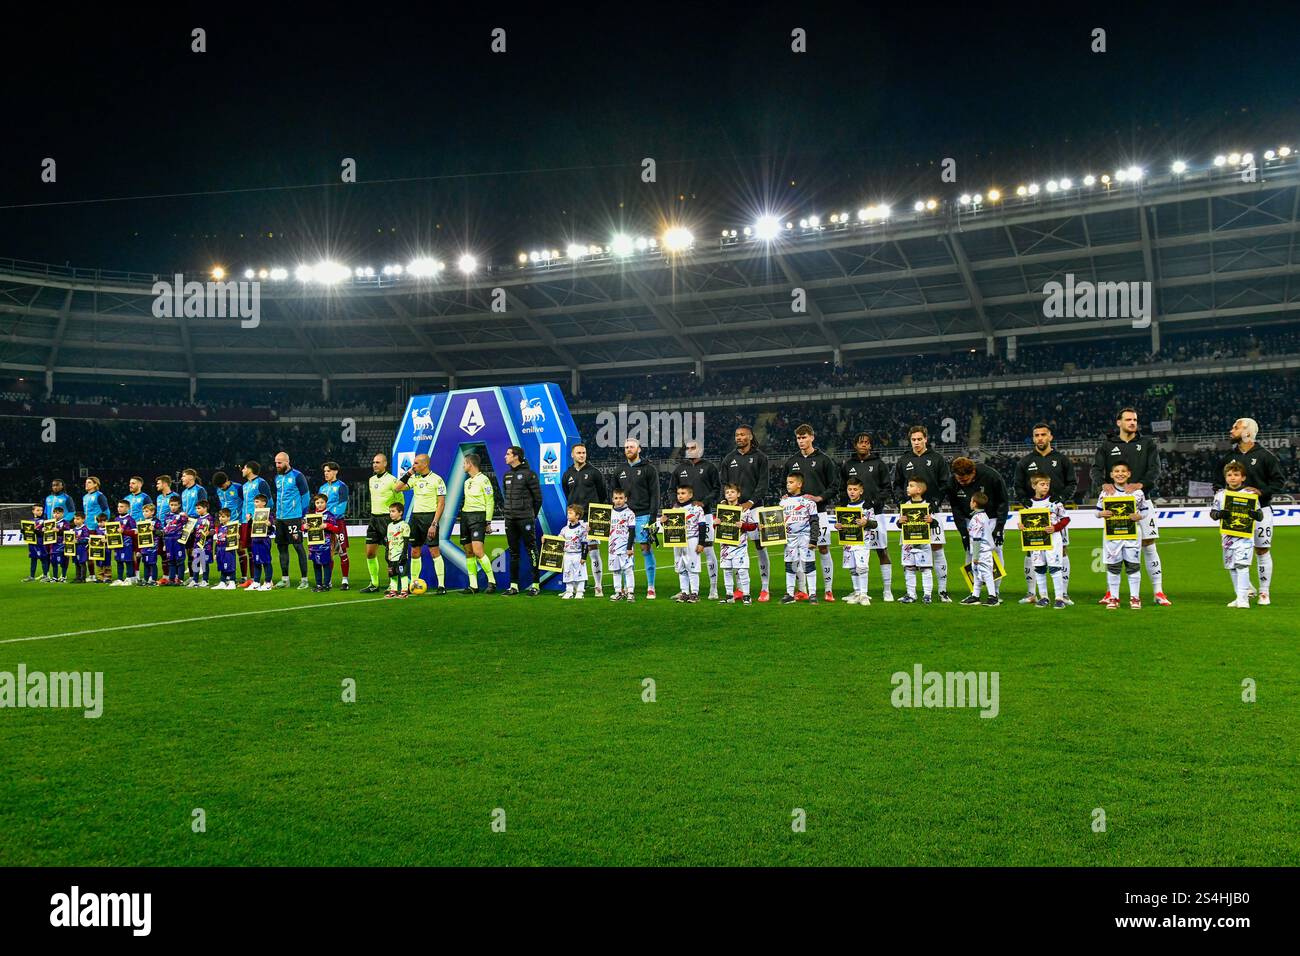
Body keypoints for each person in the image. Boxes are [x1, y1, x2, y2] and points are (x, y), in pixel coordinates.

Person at [1091, 408, 1170, 606]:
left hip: (1143, 501)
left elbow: (1155, 469)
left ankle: (1158, 591)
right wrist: (1103, 483)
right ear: (1119, 422)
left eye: (1135, 419)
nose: (1133, 422)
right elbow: (1096, 469)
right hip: (1113, 502)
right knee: (1112, 547)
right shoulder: (1108, 445)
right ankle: (1112, 593)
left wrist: (1141, 485)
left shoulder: (1147, 443)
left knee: (1149, 544)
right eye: (1128, 419)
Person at [1217, 417, 1284, 606]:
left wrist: (1261, 492)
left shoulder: (1266, 456)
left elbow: (1279, 482)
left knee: (1262, 550)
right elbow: (1216, 481)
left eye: (1235, 427)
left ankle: (1264, 592)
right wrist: (1220, 494)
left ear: (1247, 431)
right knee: (1233, 553)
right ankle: (1245, 591)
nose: (1231, 430)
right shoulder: (1228, 457)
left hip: (1261, 510)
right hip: (1235, 514)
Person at [1013, 424, 1078, 605]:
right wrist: (1024, 501)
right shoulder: (1025, 462)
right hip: (1034, 512)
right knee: (1031, 552)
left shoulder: (1062, 459)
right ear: (1033, 438)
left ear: (1050, 437)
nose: (1040, 438)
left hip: (1054, 514)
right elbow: (1017, 486)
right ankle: (1032, 593)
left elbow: (1072, 483)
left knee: (1062, 551)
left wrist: (1061, 498)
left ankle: (1063, 594)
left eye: (1043, 435)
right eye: (1036, 435)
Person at [779, 424, 839, 602]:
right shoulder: (791, 461)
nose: (801, 441)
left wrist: (820, 498)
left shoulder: (824, 460)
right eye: (798, 438)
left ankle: (828, 589)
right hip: (796, 515)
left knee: (822, 548)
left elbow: (834, 486)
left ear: (812, 437)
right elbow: (785, 484)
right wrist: (786, 495)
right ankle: (801, 589)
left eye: (804, 437)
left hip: (818, 513)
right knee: (794, 550)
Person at [892, 426, 951, 602]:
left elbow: (945, 484)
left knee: (937, 549)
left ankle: (942, 591)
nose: (916, 443)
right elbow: (896, 485)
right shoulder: (904, 460)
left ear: (926, 439)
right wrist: (901, 504)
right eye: (913, 440)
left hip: (932, 512)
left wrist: (934, 503)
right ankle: (911, 593)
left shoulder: (937, 459)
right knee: (909, 551)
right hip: (910, 513)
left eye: (919, 439)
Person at [945, 457, 1010, 601]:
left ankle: (995, 591)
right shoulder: (952, 482)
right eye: (959, 479)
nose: (962, 483)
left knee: (995, 553)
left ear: (973, 472)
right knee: (970, 554)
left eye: (966, 480)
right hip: (969, 520)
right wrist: (963, 533)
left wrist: (999, 527)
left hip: (991, 518)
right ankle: (974, 592)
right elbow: (955, 508)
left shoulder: (991, 476)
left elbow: (1003, 501)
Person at [721, 425, 772, 601]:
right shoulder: (729, 458)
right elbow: (724, 484)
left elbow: (763, 484)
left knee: (759, 546)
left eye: (742, 434)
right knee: (733, 546)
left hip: (755, 507)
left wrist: (750, 502)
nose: (739, 437)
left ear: (750, 436)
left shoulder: (760, 457)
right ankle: (740, 588)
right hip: (734, 510)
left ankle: (765, 588)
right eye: (736, 435)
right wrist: (725, 501)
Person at [840, 433, 893, 601]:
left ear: (870, 446)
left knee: (881, 550)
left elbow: (887, 488)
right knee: (853, 552)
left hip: (875, 514)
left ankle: (887, 590)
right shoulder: (848, 465)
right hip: (853, 516)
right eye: (860, 442)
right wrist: (843, 511)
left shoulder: (878, 464)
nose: (863, 445)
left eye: (867, 443)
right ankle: (857, 591)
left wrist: (875, 502)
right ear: (855, 445)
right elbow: (842, 489)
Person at [1096, 461, 1152, 610]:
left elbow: (1146, 511)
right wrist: (1102, 513)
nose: (1120, 474)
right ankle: (1114, 598)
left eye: (1123, 471)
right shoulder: (1106, 493)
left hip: (1132, 535)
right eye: (1116, 471)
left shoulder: (1137, 493)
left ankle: (1135, 598)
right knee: (1113, 567)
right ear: (1111, 475)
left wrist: (1138, 516)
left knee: (1133, 566)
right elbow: (1096, 512)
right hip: (1112, 536)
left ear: (1129, 474)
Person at [611, 438, 660, 599]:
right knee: (624, 551)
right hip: (623, 517)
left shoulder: (648, 469)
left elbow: (655, 494)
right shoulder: (620, 470)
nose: (628, 449)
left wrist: (652, 517)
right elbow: (614, 493)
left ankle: (651, 587)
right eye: (626, 447)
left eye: (631, 447)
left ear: (639, 449)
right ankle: (625, 588)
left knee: (645, 549)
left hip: (643, 514)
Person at [1210, 462, 1263, 608]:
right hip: (1227, 537)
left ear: (1243, 477)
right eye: (1229, 475)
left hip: (1245, 537)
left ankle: (1244, 600)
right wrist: (1220, 514)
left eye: (1236, 475)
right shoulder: (1220, 495)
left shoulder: (1250, 495)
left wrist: (1255, 514)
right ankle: (1239, 596)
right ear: (1225, 477)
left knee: (1242, 565)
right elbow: (1213, 514)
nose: (1232, 478)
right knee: (1232, 567)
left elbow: (1260, 515)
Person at [393, 453, 447, 594]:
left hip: (430, 518)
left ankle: (441, 585)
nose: (414, 465)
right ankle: (414, 584)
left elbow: (441, 504)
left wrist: (434, 524)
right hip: (415, 518)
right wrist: (409, 472)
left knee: (434, 551)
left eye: (416, 463)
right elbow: (397, 488)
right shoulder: (414, 479)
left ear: (425, 464)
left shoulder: (437, 480)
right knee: (415, 551)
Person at [675, 440, 721, 600]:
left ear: (700, 449)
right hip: (683, 516)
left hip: (705, 513)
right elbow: (671, 489)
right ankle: (685, 591)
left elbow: (717, 489)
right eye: (687, 448)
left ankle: (713, 588)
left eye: (693, 448)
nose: (689, 450)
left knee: (707, 550)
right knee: (682, 554)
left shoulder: (709, 467)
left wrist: (704, 502)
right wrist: (675, 507)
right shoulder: (680, 468)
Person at [562, 443, 608, 593]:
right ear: (572, 455)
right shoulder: (567, 474)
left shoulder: (594, 472)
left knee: (593, 552)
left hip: (590, 518)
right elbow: (566, 493)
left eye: (584, 452)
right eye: (579, 453)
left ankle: (598, 586)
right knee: (573, 553)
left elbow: (603, 494)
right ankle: (573, 587)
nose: (582, 455)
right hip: (575, 520)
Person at [1020, 474, 1070, 608]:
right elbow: (1025, 522)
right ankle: (1044, 597)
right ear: (1033, 486)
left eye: (1047, 484)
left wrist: (1055, 528)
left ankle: (1059, 598)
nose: (1045, 487)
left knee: (1055, 568)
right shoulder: (1029, 504)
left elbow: (1066, 519)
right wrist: (1021, 526)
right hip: (1036, 540)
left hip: (1053, 539)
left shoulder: (1054, 502)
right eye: (1042, 484)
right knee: (1039, 568)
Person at [500, 446, 543, 596]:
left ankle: (535, 585)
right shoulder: (506, 475)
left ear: (516, 456)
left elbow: (538, 498)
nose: (505, 456)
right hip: (510, 519)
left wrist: (532, 516)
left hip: (525, 518)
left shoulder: (530, 474)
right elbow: (506, 496)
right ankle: (513, 586)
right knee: (513, 552)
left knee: (531, 549)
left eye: (508, 454)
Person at [659, 484, 707, 602]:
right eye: (678, 493)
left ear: (690, 495)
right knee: (681, 567)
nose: (680, 496)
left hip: (692, 540)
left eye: (683, 493)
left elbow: (702, 526)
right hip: (678, 541)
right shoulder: (674, 509)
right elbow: (670, 527)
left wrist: (701, 543)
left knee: (692, 567)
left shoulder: (697, 508)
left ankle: (694, 593)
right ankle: (684, 592)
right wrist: (663, 522)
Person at [364, 453, 404, 594]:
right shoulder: (371, 480)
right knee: (369, 553)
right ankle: (374, 583)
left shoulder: (392, 480)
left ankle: (393, 584)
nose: (375, 464)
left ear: (385, 464)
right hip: (374, 519)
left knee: (391, 555)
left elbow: (400, 500)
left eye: (378, 462)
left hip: (387, 520)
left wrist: (396, 518)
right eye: (373, 462)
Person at [272, 452, 311, 589]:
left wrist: (302, 516)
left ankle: (304, 579)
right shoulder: (277, 477)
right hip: (280, 518)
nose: (277, 465)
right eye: (276, 462)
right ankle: (285, 579)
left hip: (294, 517)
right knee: (281, 548)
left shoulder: (297, 476)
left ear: (287, 462)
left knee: (298, 547)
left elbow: (306, 496)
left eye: (280, 463)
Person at [778, 472, 818, 605]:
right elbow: (777, 522)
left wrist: (813, 540)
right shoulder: (783, 502)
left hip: (805, 538)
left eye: (791, 482)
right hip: (789, 538)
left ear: (799, 484)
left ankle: (812, 594)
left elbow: (814, 521)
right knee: (790, 565)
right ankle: (789, 594)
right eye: (787, 482)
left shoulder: (809, 502)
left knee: (809, 564)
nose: (788, 485)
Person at [459, 453, 496, 594]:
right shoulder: (466, 482)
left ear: (470, 464)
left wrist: (488, 521)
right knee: (468, 551)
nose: (463, 465)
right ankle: (473, 586)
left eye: (464, 463)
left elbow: (490, 501)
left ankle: (492, 582)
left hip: (478, 517)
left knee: (478, 551)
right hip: (465, 516)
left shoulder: (484, 480)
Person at [716, 483, 758, 605]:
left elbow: (753, 526)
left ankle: (746, 595)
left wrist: (743, 525)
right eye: (727, 492)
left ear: (738, 494)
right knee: (727, 571)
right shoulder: (722, 510)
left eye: (732, 492)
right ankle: (729, 595)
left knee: (743, 571)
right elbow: (717, 527)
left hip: (740, 546)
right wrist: (715, 522)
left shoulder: (744, 510)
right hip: (725, 546)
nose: (730, 494)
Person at [839, 477, 878, 605]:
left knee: (862, 567)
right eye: (849, 489)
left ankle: (864, 594)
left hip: (862, 542)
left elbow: (874, 523)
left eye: (855, 489)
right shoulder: (844, 506)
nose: (852, 492)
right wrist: (838, 526)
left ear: (861, 491)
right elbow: (841, 523)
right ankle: (856, 593)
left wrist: (866, 522)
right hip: (848, 542)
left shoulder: (866, 506)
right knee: (852, 568)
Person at [898, 478, 935, 605]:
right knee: (909, 568)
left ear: (919, 490)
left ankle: (927, 595)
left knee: (926, 569)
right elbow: (899, 524)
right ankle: (911, 594)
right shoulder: (905, 506)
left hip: (923, 543)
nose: (907, 488)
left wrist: (931, 521)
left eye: (911, 485)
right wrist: (900, 521)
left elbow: (934, 524)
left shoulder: (928, 506)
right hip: (908, 543)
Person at [960, 492, 999, 606]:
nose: (970, 503)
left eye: (971, 501)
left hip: (982, 551)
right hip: (983, 550)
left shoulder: (976, 518)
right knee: (977, 574)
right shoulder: (984, 516)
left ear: (975, 503)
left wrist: (975, 556)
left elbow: (977, 538)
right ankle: (975, 595)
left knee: (986, 573)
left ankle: (993, 597)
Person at [237, 462, 273, 588]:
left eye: (244, 467)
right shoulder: (244, 486)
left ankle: (268, 581)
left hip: (258, 521)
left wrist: (263, 517)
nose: (242, 469)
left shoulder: (261, 483)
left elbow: (270, 502)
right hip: (246, 521)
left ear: (250, 469)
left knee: (260, 550)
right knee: (249, 549)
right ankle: (254, 580)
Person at [319, 462, 351, 590]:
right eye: (325, 471)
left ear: (335, 471)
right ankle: (328, 581)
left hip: (338, 523)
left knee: (342, 552)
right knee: (328, 552)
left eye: (328, 471)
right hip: (324, 524)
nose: (326, 473)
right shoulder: (322, 488)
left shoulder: (342, 486)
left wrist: (330, 516)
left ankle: (345, 581)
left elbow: (342, 505)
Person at [307, 492, 345, 592]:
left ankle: (327, 584)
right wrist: (304, 527)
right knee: (316, 565)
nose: (319, 504)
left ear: (326, 503)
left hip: (326, 545)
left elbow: (337, 529)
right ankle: (319, 585)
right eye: (317, 503)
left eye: (322, 502)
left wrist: (327, 526)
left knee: (326, 564)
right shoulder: (311, 516)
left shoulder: (329, 515)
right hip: (314, 545)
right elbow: (303, 528)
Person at [212, 472, 243, 586]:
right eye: (219, 487)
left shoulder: (238, 488)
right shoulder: (219, 490)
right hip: (224, 523)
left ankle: (240, 577)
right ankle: (224, 580)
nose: (221, 488)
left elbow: (244, 503)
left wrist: (242, 520)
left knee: (237, 550)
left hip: (236, 522)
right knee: (223, 551)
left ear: (226, 481)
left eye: (222, 485)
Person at [606, 489, 638, 602]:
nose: (618, 501)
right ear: (612, 499)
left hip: (625, 547)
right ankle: (618, 592)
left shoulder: (629, 513)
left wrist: (629, 548)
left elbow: (632, 531)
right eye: (616, 498)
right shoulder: (609, 513)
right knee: (616, 571)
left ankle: (630, 592)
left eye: (621, 498)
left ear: (625, 499)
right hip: (612, 547)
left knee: (628, 570)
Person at [122, 476, 150, 583]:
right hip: (129, 530)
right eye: (130, 483)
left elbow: (149, 511)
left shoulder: (145, 497)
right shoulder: (127, 498)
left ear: (139, 485)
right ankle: (135, 575)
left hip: (140, 528)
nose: (130, 485)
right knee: (131, 552)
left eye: (133, 483)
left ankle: (148, 575)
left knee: (141, 553)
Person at [559, 504, 590, 599]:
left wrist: (584, 557)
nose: (568, 515)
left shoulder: (582, 529)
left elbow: (585, 543)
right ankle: (569, 591)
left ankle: (580, 591)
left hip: (578, 554)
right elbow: (557, 540)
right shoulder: (564, 529)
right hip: (567, 554)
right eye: (568, 513)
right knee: (568, 572)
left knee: (579, 573)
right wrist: (545, 539)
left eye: (571, 513)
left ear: (577, 516)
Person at [83, 477, 110, 582]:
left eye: (89, 482)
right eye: (86, 483)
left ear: (95, 484)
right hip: (87, 527)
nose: (86, 484)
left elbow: (106, 511)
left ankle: (105, 575)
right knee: (88, 552)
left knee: (100, 551)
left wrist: (103, 526)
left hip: (96, 528)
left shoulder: (100, 496)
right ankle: (93, 575)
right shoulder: (85, 497)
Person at [247, 493, 275, 591]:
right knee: (256, 562)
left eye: (257, 501)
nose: (255, 503)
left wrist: (270, 525)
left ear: (264, 503)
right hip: (255, 540)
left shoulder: (269, 514)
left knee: (266, 562)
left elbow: (272, 530)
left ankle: (268, 582)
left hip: (264, 541)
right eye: (255, 502)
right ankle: (256, 582)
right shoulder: (255, 514)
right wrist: (250, 521)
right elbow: (253, 528)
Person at [384, 502, 411, 599]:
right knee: (392, 573)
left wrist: (404, 554)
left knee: (403, 573)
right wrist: (387, 552)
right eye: (390, 511)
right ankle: (393, 590)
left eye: (393, 511)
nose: (391, 513)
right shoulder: (389, 526)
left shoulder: (404, 525)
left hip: (400, 555)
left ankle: (404, 591)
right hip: (392, 555)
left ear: (400, 512)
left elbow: (406, 542)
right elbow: (388, 541)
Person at [108, 499, 137, 586]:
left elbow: (135, 532)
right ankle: (120, 579)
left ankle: (130, 578)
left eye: (121, 506)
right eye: (118, 506)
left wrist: (124, 531)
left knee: (128, 561)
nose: (119, 508)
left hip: (127, 544)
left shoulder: (130, 519)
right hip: (118, 544)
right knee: (119, 561)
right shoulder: (116, 519)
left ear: (127, 508)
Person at [162, 496, 188, 586]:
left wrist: (186, 517)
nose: (173, 507)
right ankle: (171, 579)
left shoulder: (182, 516)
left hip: (178, 540)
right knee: (171, 561)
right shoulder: (166, 516)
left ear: (179, 505)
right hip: (168, 541)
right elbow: (165, 530)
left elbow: (188, 526)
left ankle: (180, 579)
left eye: (175, 505)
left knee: (180, 560)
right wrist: (164, 543)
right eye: (171, 505)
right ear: (169, 505)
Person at [188, 499, 214, 588]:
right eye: (196, 508)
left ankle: (205, 580)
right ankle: (195, 580)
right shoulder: (198, 519)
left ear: (205, 508)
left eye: (199, 508)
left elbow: (213, 530)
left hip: (206, 544)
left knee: (204, 563)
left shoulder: (210, 518)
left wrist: (209, 533)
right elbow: (197, 530)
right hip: (197, 544)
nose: (197, 510)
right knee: (195, 562)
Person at [213, 508, 239, 589]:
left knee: (230, 565)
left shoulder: (232, 527)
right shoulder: (219, 527)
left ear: (228, 517)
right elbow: (217, 541)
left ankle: (232, 582)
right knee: (221, 566)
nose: (220, 518)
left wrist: (237, 537)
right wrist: (215, 553)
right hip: (220, 549)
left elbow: (236, 538)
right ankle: (222, 582)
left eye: (223, 517)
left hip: (228, 549)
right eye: (220, 516)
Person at [22, 502, 47, 582]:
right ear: (33, 511)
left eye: (41, 510)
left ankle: (45, 576)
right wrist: (23, 531)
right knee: (33, 559)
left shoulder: (44, 521)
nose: (40, 512)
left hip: (40, 543)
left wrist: (36, 531)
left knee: (43, 559)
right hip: (32, 543)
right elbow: (27, 533)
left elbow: (43, 533)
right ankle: (32, 577)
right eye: (38, 510)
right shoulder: (29, 521)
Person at [137, 502, 160, 586]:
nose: (144, 513)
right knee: (145, 563)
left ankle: (153, 579)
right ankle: (146, 579)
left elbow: (161, 533)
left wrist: (154, 530)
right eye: (143, 511)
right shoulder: (141, 522)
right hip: (144, 546)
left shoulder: (156, 521)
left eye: (146, 511)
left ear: (152, 512)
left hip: (153, 547)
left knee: (152, 563)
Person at [47, 506, 70, 583]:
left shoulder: (65, 522)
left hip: (62, 545)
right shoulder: (51, 523)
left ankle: (63, 576)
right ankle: (55, 577)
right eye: (54, 513)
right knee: (53, 562)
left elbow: (67, 532)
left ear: (62, 514)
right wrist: (44, 530)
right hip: (53, 545)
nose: (55, 515)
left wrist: (58, 530)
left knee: (64, 562)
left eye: (58, 513)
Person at [70, 513, 90, 584]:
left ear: (83, 520)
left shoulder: (85, 528)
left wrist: (78, 541)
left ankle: (83, 578)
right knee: (76, 563)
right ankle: (77, 577)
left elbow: (87, 539)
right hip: (75, 549)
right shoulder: (73, 529)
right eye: (75, 519)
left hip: (82, 549)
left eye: (78, 519)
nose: (75, 520)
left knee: (82, 563)